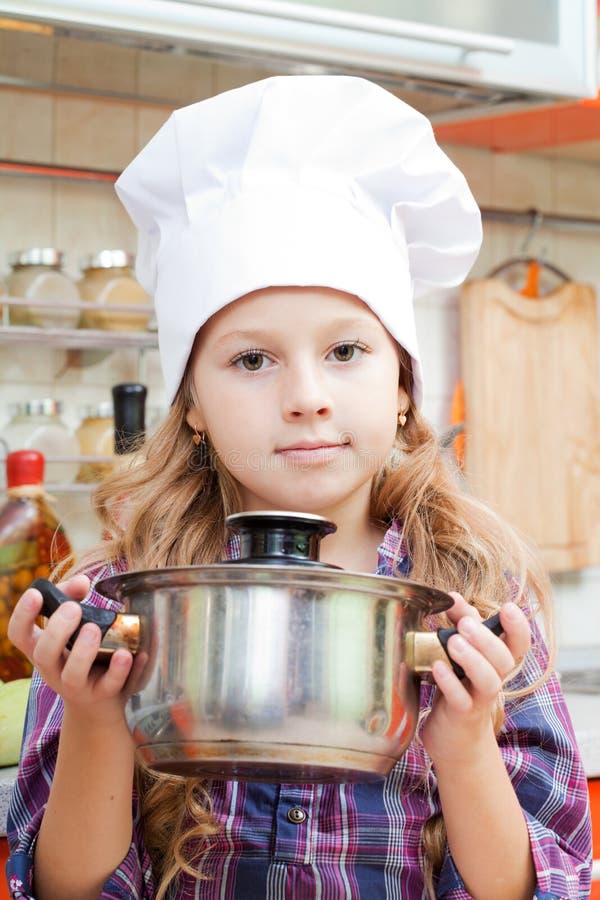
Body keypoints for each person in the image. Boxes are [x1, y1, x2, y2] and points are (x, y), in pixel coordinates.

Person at [5, 76, 592, 900]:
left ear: (401, 385)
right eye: (252, 359)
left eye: (346, 351)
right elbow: (67, 887)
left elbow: (537, 886)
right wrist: (98, 715)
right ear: (194, 406)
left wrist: (460, 743)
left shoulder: (478, 594)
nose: (307, 394)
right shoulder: (121, 598)